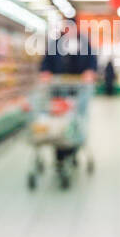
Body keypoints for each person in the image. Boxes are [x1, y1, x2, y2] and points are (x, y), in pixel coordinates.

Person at [39, 19, 97, 168]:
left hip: (78, 91)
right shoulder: (55, 43)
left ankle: (73, 151)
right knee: (59, 122)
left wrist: (90, 72)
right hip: (58, 90)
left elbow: (92, 61)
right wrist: (46, 72)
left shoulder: (84, 43)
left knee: (75, 120)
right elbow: (46, 62)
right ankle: (60, 154)